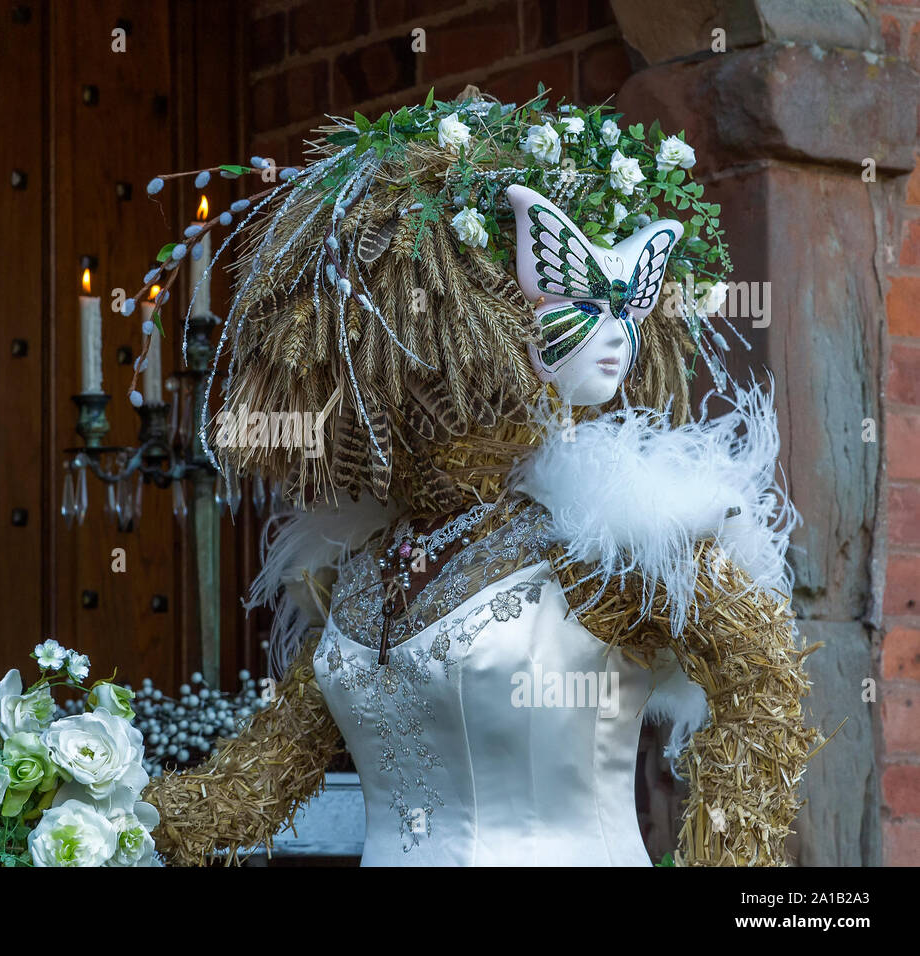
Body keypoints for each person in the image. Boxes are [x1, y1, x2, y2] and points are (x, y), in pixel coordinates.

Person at [138, 89, 818, 866]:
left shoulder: (602, 537)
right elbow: (253, 785)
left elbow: (761, 686)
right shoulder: (358, 568)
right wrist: (91, 806)